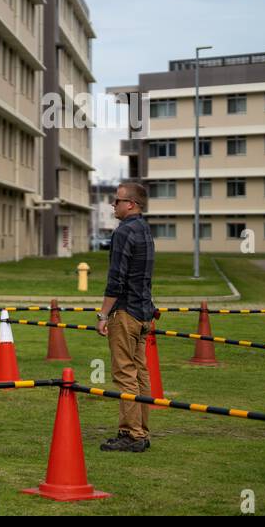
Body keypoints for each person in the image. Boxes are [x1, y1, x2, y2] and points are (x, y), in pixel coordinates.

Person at [97, 182, 156, 453]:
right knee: (141, 373)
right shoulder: (145, 230)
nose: (113, 205)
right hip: (145, 313)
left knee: (124, 373)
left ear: (131, 204)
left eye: (117, 201)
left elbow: (116, 279)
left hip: (126, 313)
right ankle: (141, 429)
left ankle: (131, 435)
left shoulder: (123, 232)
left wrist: (103, 314)